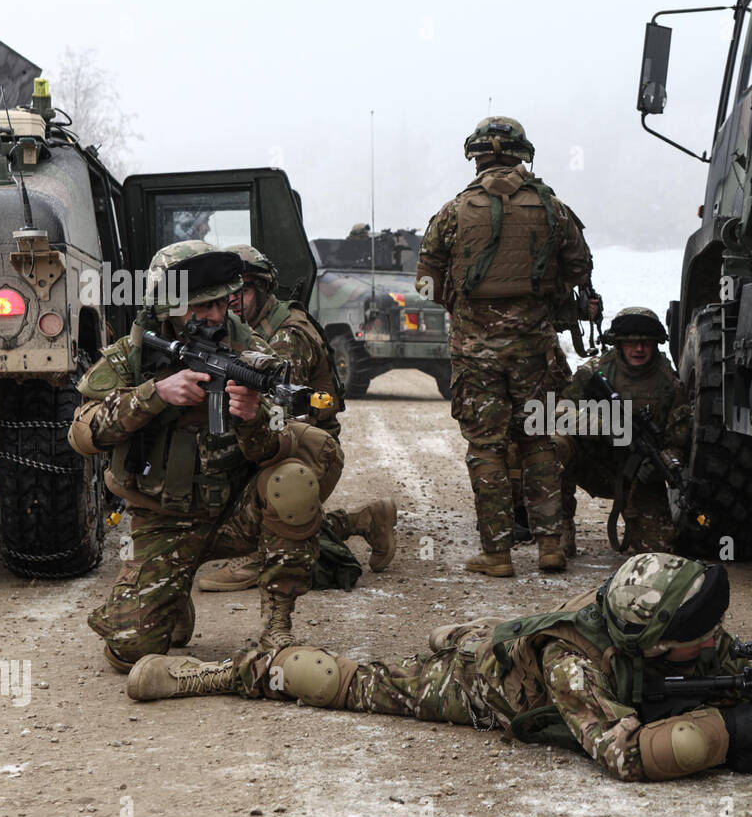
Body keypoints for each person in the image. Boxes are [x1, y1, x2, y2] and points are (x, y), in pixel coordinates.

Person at [125, 553, 752, 782]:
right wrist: (727, 733)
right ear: (653, 635)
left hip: (507, 642)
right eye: (695, 634)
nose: (712, 640)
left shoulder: (654, 620)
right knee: (344, 684)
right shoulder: (574, 666)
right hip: (475, 683)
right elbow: (626, 757)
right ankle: (219, 675)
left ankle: (465, 633)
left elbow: (707, 656)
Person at [68, 240, 343, 670]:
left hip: (234, 511)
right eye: (200, 308)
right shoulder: (134, 355)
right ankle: (171, 596)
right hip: (164, 519)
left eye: (220, 303)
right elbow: (81, 435)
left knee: (292, 481)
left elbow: (274, 445)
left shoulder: (248, 349)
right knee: (129, 653)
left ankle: (276, 625)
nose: (215, 315)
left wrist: (253, 417)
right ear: (167, 307)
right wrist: (153, 395)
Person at [416, 116, 600, 577]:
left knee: (487, 447)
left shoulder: (453, 211)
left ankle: (497, 554)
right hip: (533, 349)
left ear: (476, 157)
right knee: (538, 441)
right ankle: (550, 547)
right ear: (523, 155)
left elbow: (425, 281)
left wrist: (462, 308)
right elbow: (579, 269)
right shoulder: (552, 208)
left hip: (475, 352)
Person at [195, 245, 397, 592]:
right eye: (227, 293)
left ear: (262, 290)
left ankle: (261, 552)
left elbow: (278, 412)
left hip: (307, 450)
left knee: (233, 525)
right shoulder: (250, 327)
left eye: (242, 291)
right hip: (284, 442)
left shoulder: (288, 336)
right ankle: (363, 520)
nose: (232, 301)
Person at [557, 308, 689, 555]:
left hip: (639, 477)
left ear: (655, 344)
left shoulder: (670, 384)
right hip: (593, 465)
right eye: (631, 342)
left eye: (646, 342)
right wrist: (601, 427)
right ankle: (559, 531)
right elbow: (559, 413)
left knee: (657, 553)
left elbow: (678, 440)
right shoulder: (594, 372)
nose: (638, 349)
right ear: (618, 344)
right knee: (555, 446)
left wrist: (665, 462)